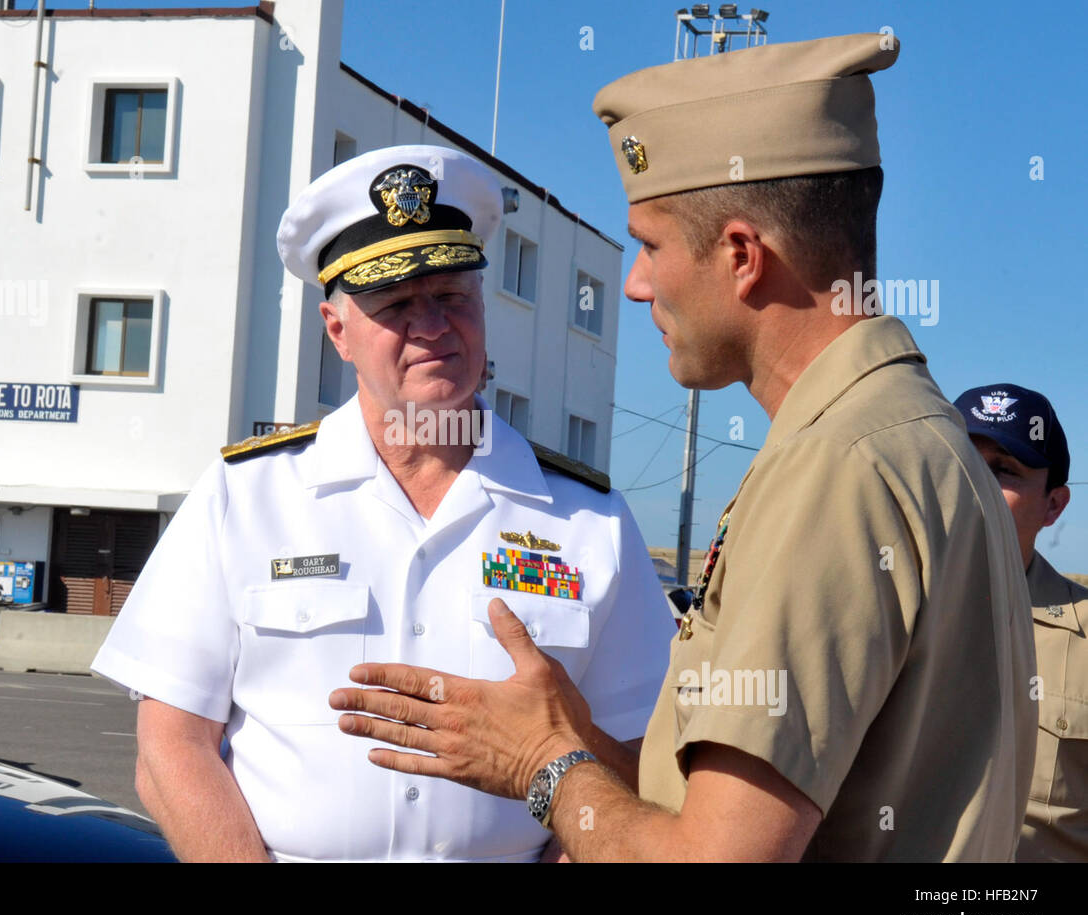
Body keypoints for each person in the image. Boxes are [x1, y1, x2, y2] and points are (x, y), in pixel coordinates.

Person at [332, 34, 1038, 861]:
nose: (635, 283)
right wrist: (578, 736)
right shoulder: (915, 435)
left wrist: (542, 762)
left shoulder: (837, 468)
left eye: (651, 245)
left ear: (741, 257)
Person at [89, 144, 671, 862]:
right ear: (339, 332)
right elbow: (171, 744)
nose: (431, 325)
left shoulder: (587, 520)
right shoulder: (246, 496)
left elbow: (643, 761)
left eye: (453, 296)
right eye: (396, 304)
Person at [953, 383, 1085, 862]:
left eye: (1003, 471)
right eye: (961, 464)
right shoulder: (874, 613)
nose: (974, 485)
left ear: (1054, 505)